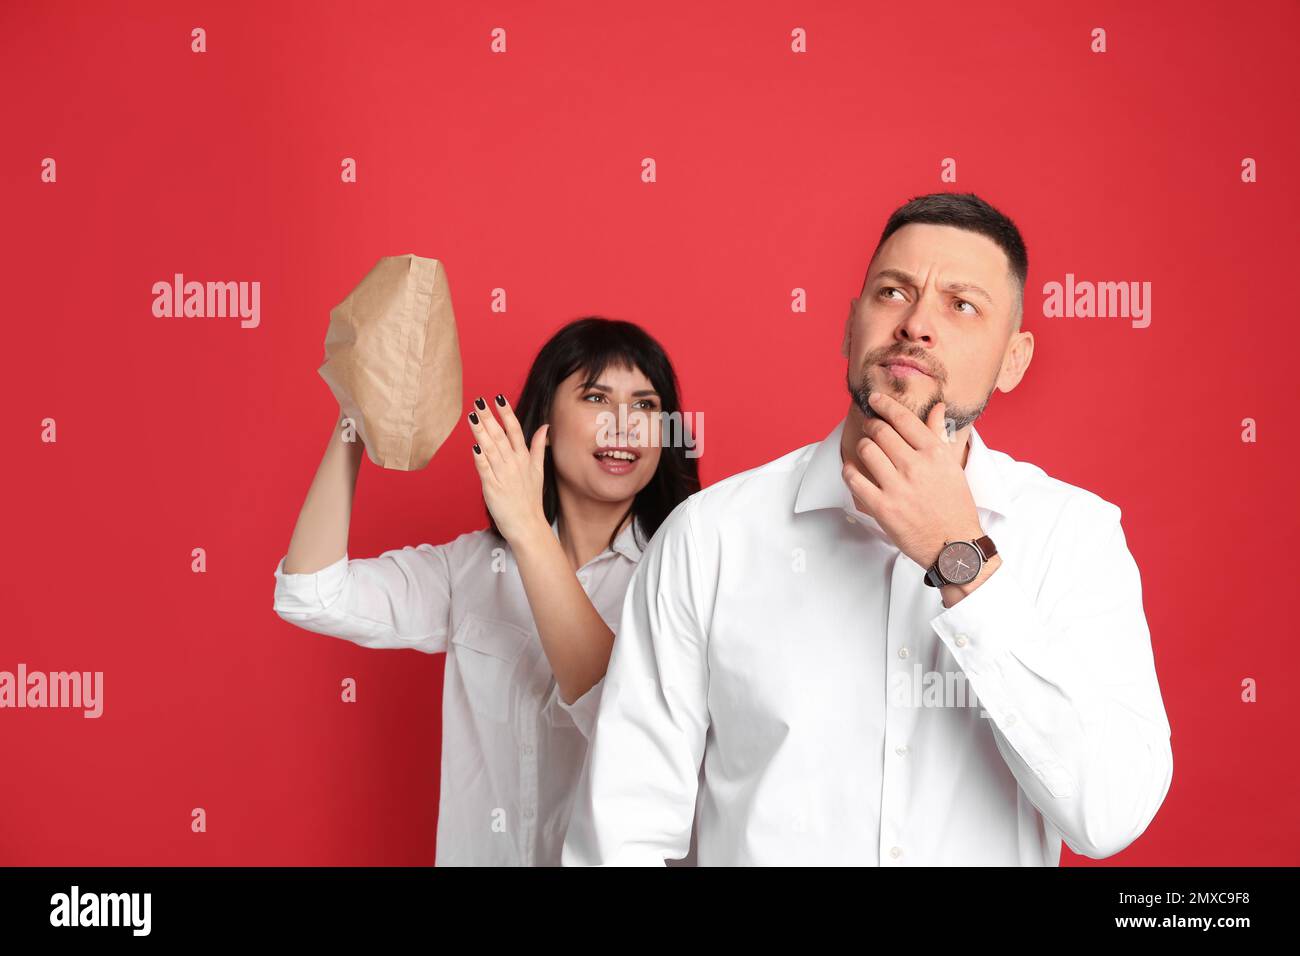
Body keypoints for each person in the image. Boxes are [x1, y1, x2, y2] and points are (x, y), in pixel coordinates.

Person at [562, 192, 1174, 866]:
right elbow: (624, 831)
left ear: (1014, 360)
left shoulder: (1075, 538)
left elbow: (1109, 814)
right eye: (894, 292)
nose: (917, 325)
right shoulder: (709, 539)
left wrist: (959, 557)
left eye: (961, 304)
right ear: (851, 328)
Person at [271, 316, 699, 866]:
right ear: (543, 418)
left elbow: (619, 720)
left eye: (645, 405)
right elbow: (312, 592)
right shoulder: (472, 568)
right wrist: (356, 413)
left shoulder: (683, 573)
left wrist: (525, 525)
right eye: (596, 397)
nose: (625, 425)